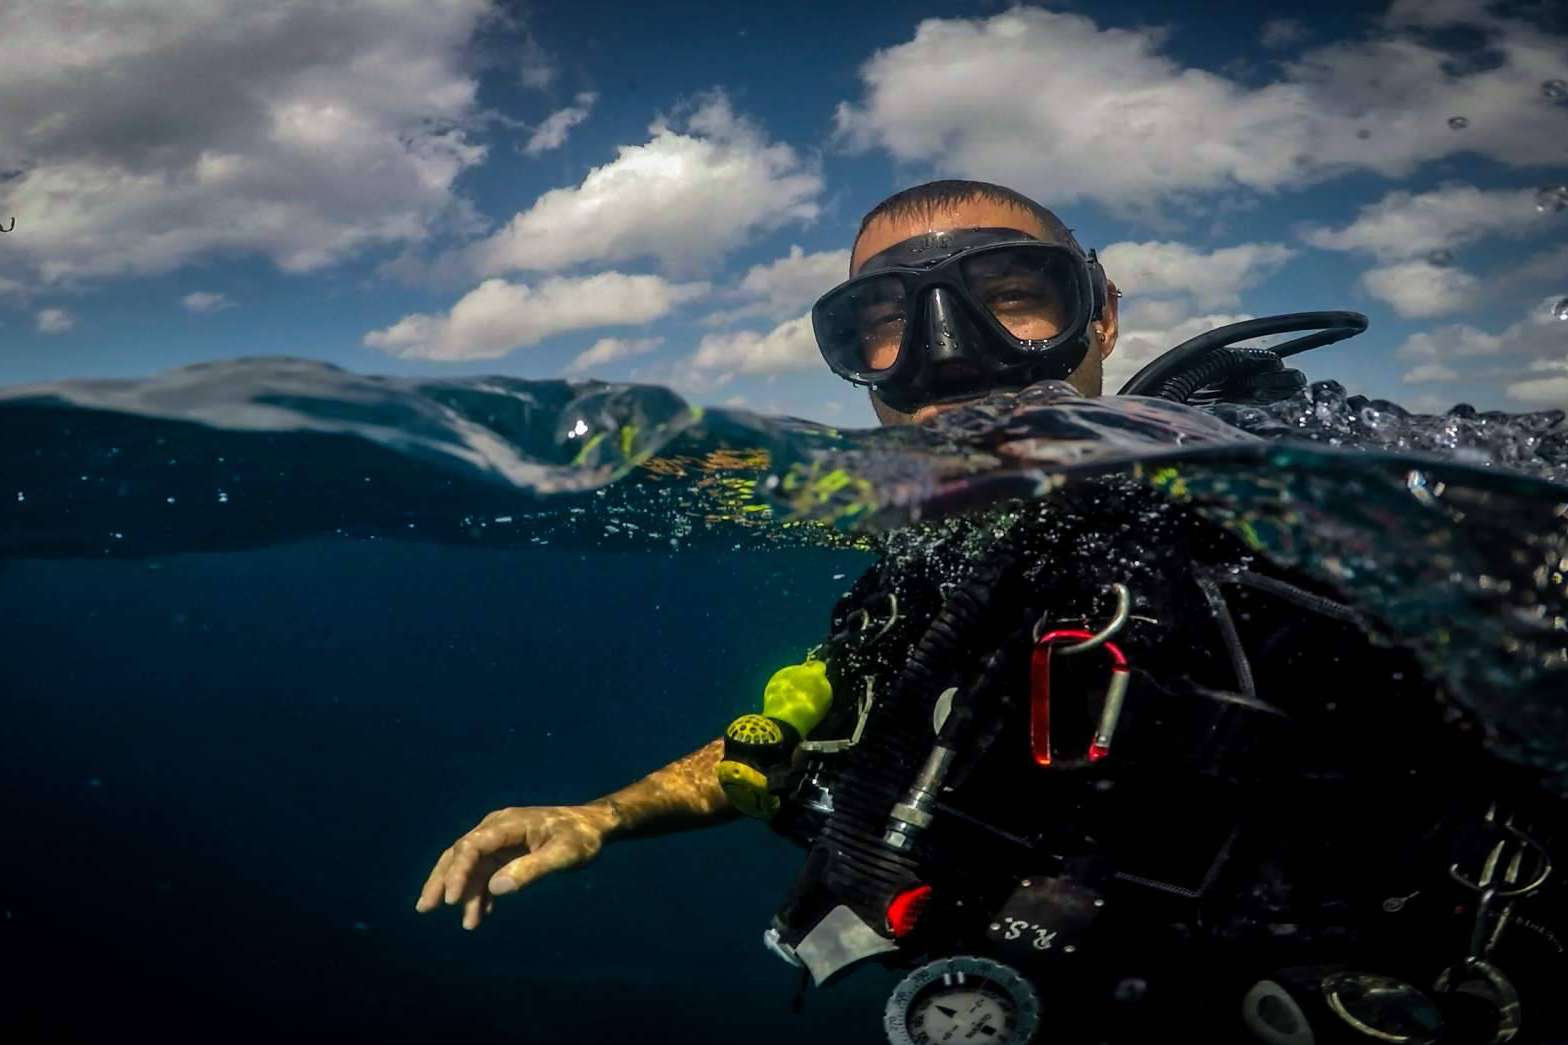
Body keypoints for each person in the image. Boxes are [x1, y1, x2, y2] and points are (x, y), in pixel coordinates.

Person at [414, 180, 1124, 931]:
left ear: (1101, 315)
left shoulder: (1201, 523)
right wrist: (602, 815)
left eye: (1011, 296)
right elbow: (801, 738)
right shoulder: (924, 570)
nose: (950, 356)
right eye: (889, 320)